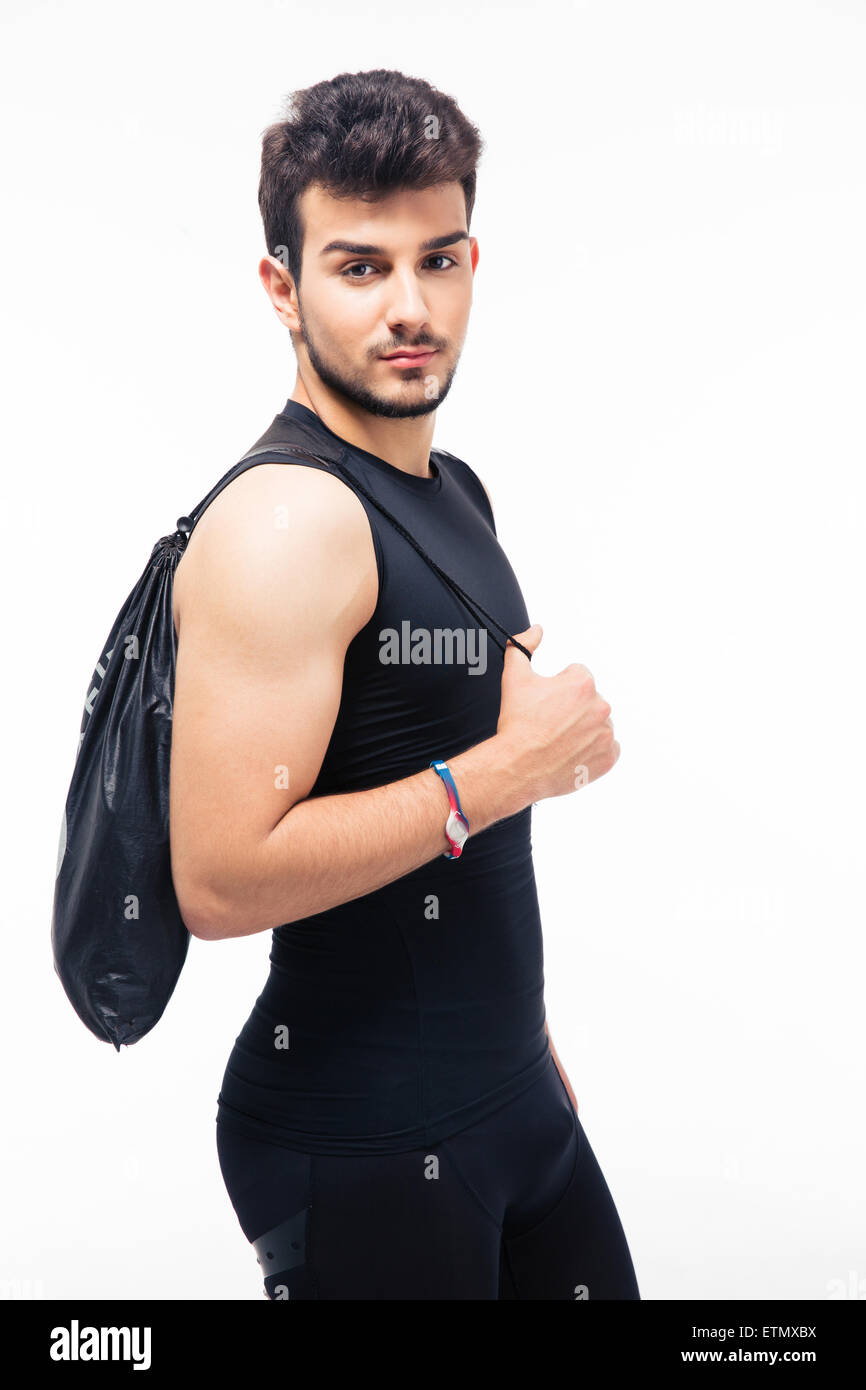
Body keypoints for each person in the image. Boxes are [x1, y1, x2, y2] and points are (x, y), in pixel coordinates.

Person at [169, 67, 639, 1300]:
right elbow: (216, 878)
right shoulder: (286, 521)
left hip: (509, 1104)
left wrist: (518, 1041)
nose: (409, 306)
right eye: (360, 266)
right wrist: (504, 773)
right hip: (360, 1137)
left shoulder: (455, 490)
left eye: (437, 259)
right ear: (283, 287)